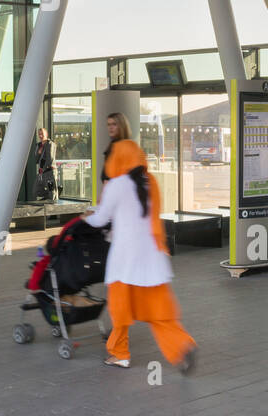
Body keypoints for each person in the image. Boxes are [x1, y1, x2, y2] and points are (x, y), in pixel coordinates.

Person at [83, 138, 196, 373]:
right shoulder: (150, 182)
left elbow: (101, 219)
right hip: (153, 260)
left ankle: (120, 354)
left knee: (120, 312)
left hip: (124, 261)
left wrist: (82, 219)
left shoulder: (117, 184)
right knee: (159, 313)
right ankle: (182, 346)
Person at [101, 112, 132, 186]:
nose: (110, 127)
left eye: (114, 124)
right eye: (108, 124)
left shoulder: (124, 147)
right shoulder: (113, 145)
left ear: (121, 126)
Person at [34, 127, 57, 202]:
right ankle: (50, 196)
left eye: (42, 134)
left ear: (46, 134)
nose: (40, 136)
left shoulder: (50, 144)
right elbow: (36, 160)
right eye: (39, 134)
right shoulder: (38, 145)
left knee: (52, 192)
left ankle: (52, 201)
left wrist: (44, 168)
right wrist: (38, 153)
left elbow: (50, 159)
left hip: (49, 172)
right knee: (35, 191)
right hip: (42, 173)